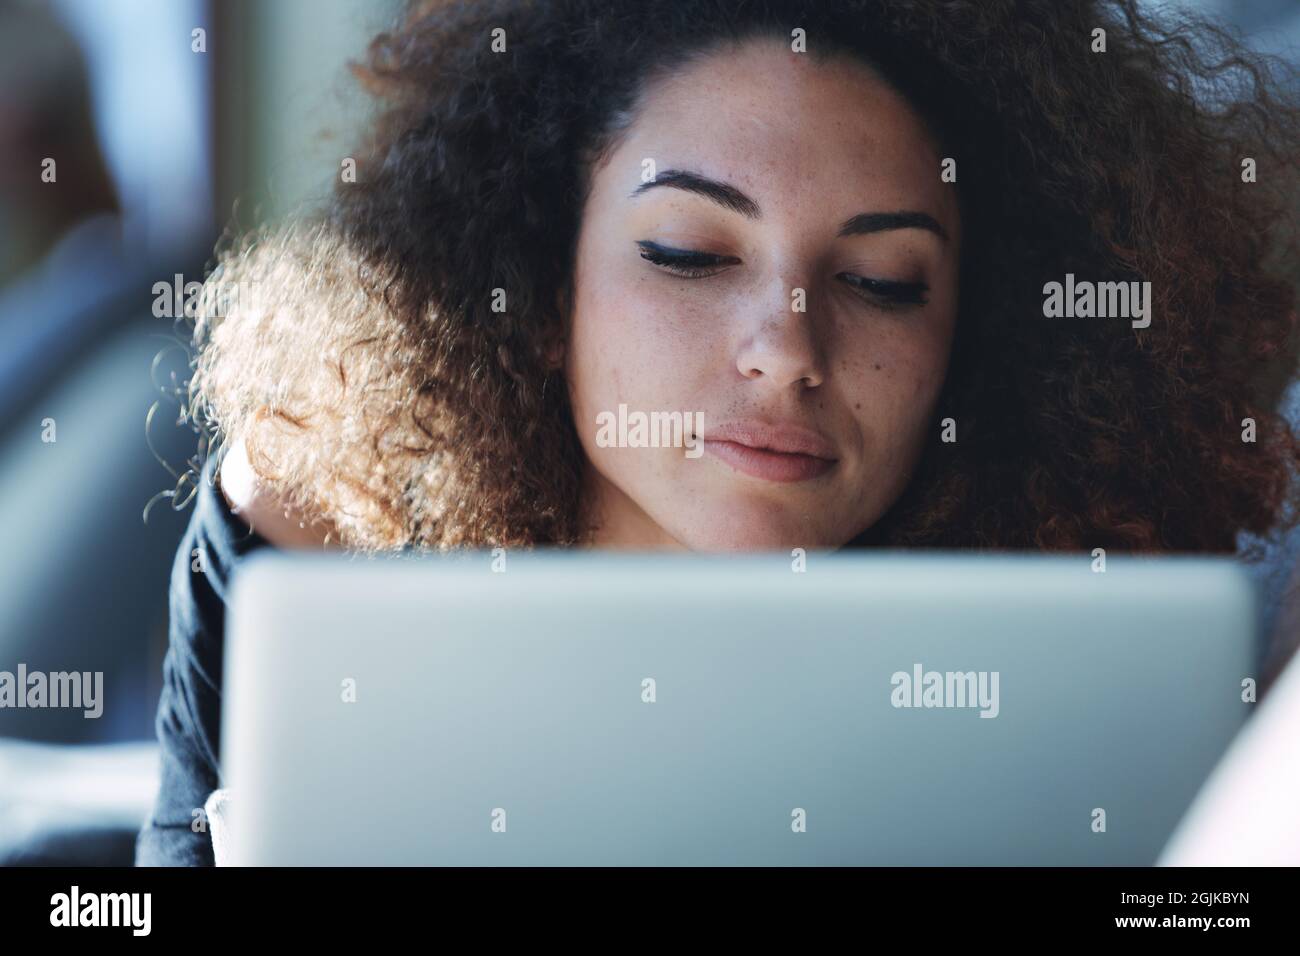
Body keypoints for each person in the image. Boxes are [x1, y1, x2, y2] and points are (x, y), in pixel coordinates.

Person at [136, 0, 1300, 865]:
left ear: (974, 352)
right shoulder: (312, 530)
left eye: (885, 280)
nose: (787, 347)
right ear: (541, 295)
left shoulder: (1094, 652)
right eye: (690, 255)